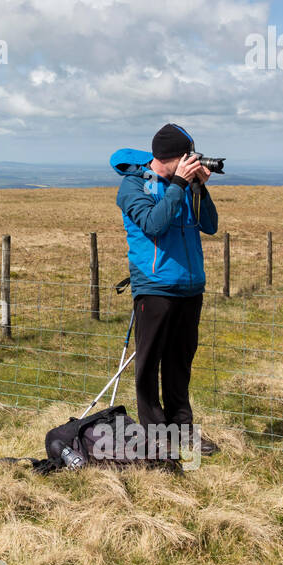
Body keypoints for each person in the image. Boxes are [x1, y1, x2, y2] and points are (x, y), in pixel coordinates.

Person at [110, 123, 220, 456]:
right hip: (154, 287)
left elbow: (211, 225)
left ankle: (184, 433)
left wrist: (199, 188)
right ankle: (155, 437)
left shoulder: (186, 186)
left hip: (189, 288)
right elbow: (154, 224)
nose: (192, 162)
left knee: (179, 364)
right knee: (149, 366)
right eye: (188, 157)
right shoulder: (133, 187)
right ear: (173, 157)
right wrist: (178, 185)